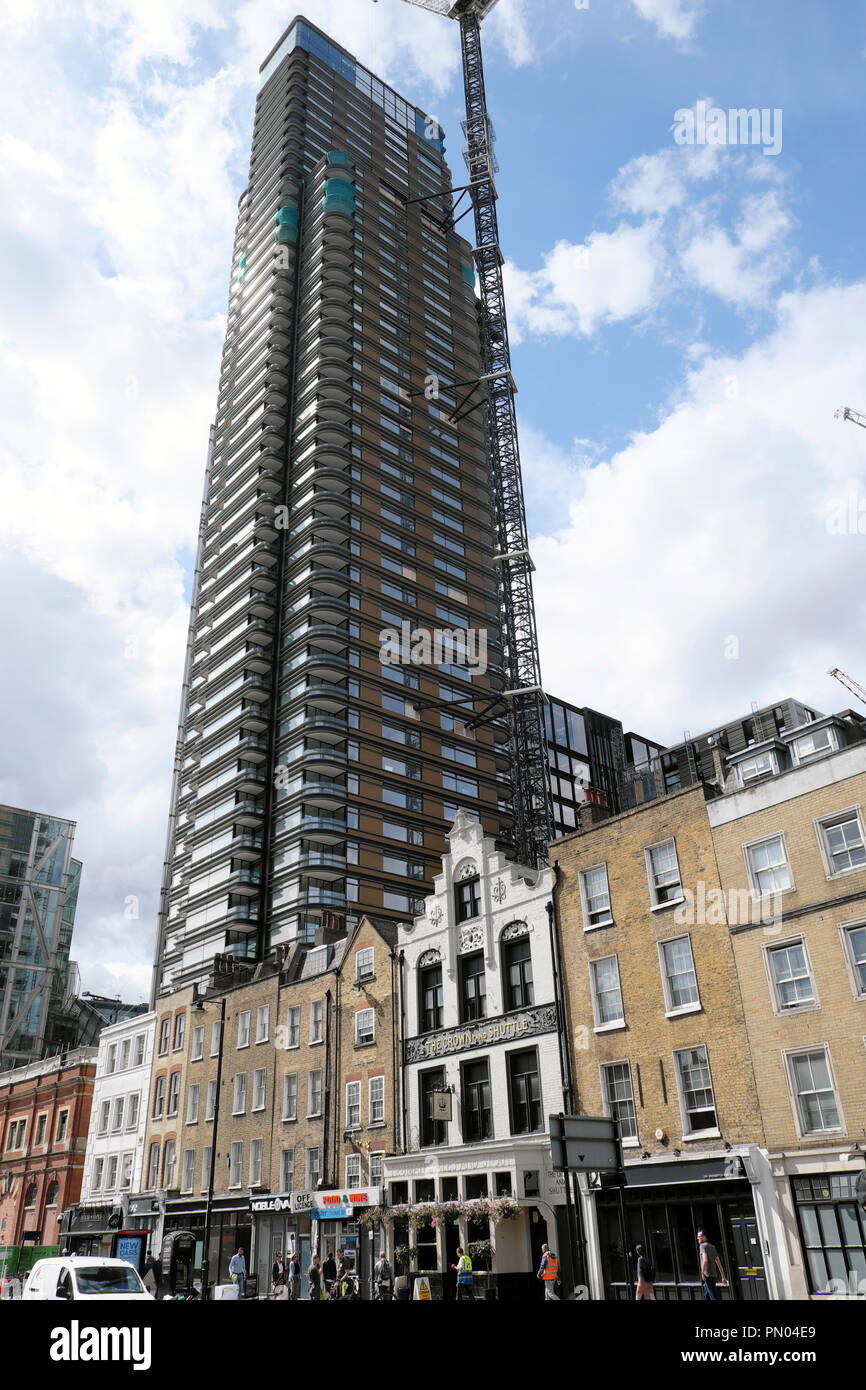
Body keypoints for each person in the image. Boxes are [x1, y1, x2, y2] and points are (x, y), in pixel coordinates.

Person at [697, 1229, 727, 1300]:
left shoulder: (702, 1246)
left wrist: (702, 1272)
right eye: (698, 1237)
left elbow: (705, 1260)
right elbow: (718, 1263)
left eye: (699, 1236)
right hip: (713, 1274)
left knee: (712, 1295)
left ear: (704, 1237)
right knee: (706, 1294)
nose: (698, 1238)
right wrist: (723, 1277)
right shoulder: (712, 1247)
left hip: (707, 1274)